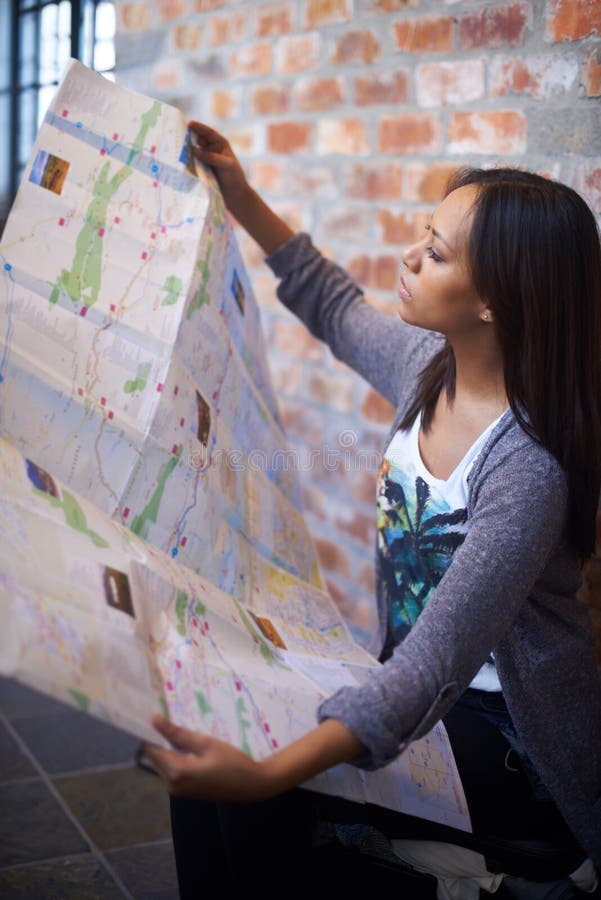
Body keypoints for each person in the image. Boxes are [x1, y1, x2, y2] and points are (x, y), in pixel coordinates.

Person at [143, 123, 601, 895]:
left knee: (259, 780)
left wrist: (265, 776)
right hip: (426, 694)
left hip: (513, 742)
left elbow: (434, 662)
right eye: (422, 236)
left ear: (495, 300)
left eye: (436, 253)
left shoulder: (526, 469)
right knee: (212, 736)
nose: (408, 257)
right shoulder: (427, 368)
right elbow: (329, 301)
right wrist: (239, 192)